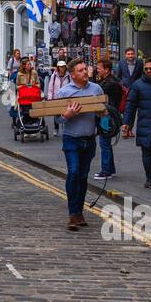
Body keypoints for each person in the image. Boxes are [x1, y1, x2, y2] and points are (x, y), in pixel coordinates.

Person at [53, 61, 103, 230]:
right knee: (73, 172)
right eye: (80, 70)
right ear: (72, 75)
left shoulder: (96, 89)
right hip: (71, 139)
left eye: (85, 69)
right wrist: (67, 115)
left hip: (89, 140)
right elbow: (57, 118)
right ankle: (73, 213)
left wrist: (103, 113)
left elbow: (103, 112)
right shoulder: (64, 92)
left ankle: (79, 212)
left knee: (82, 176)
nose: (85, 72)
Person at [122, 58, 151, 189]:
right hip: (144, 123)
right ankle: (150, 178)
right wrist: (127, 123)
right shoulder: (137, 84)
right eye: (146, 69)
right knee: (146, 153)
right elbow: (130, 105)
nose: (148, 71)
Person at [93, 59, 122, 181]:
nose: (97, 71)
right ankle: (111, 169)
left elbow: (95, 91)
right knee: (106, 144)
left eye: (99, 68)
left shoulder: (110, 83)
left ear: (107, 70)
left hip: (108, 116)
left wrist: (90, 78)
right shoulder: (109, 81)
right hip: (109, 115)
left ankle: (105, 171)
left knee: (104, 143)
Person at [45, 59, 70, 131]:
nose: (62, 68)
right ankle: (56, 128)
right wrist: (50, 99)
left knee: (66, 113)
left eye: (63, 66)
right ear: (58, 67)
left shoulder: (68, 76)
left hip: (66, 98)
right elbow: (50, 88)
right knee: (56, 113)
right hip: (56, 97)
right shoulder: (54, 76)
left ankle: (65, 128)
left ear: (65, 67)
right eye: (60, 67)